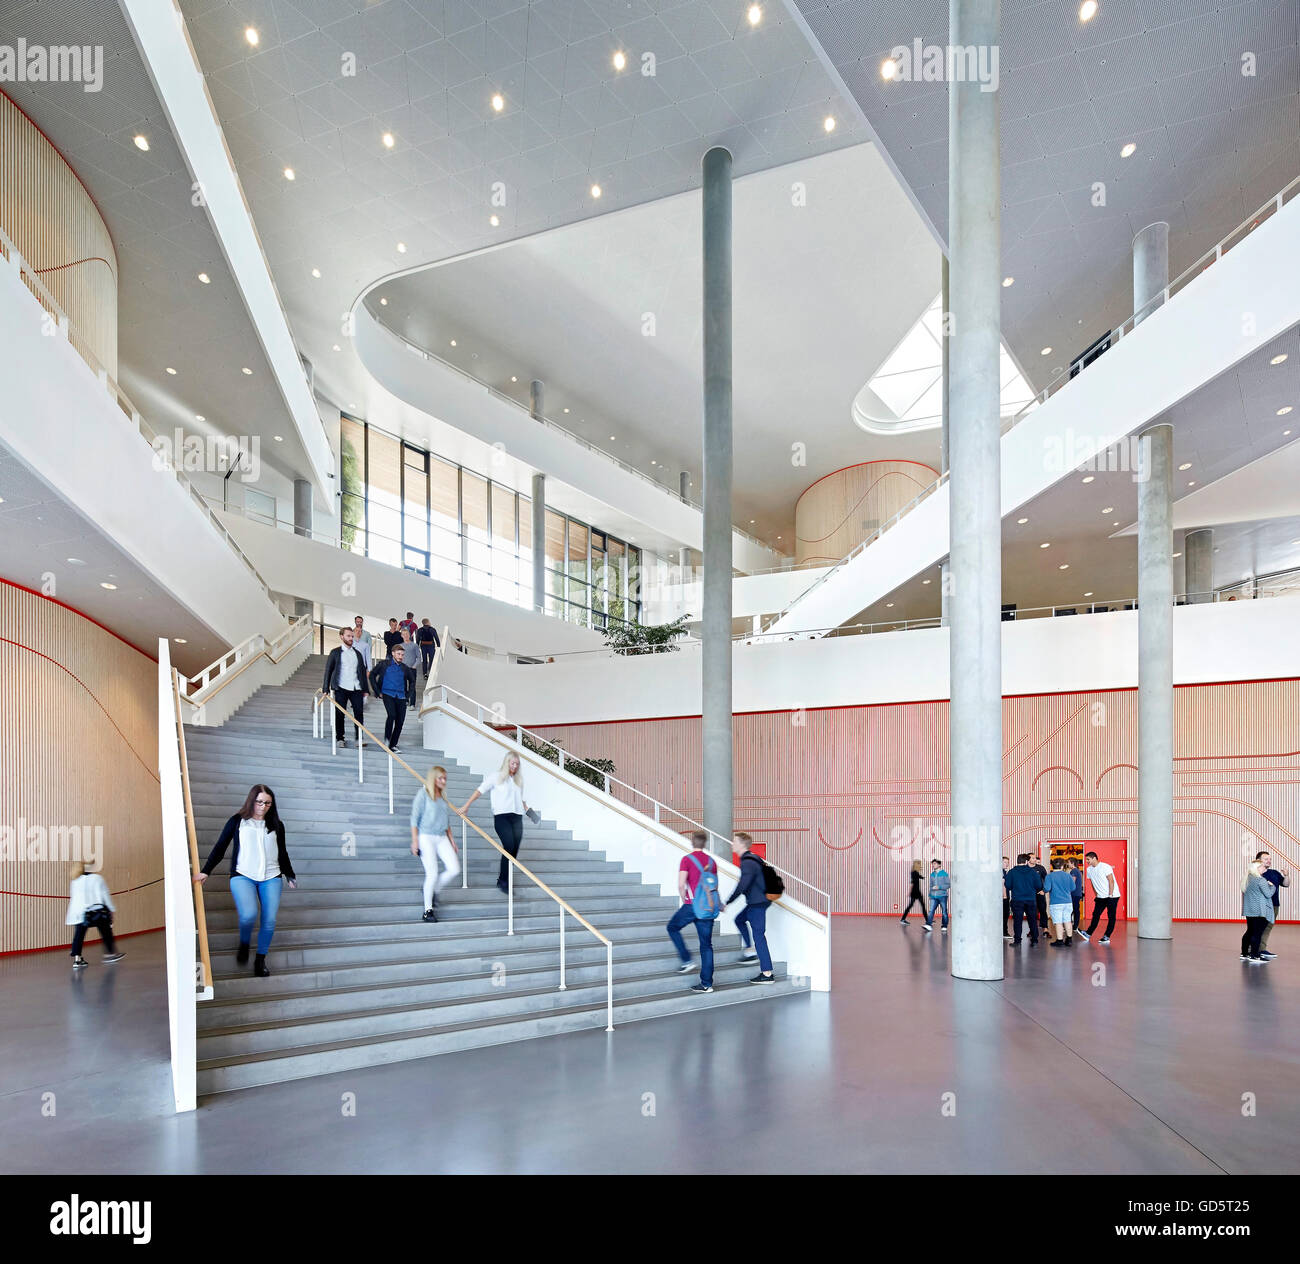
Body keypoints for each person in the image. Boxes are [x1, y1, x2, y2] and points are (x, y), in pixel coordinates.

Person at [195, 784, 297, 978]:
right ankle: (244, 942)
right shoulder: (237, 821)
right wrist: (206, 871)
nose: (263, 806)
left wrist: (289, 874)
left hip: (271, 876)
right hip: (243, 875)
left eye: (267, 803)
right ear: (251, 801)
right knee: (248, 914)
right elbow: (220, 847)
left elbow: (282, 852)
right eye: (259, 802)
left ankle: (260, 959)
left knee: (269, 920)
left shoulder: (276, 824)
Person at [460, 753, 531, 893]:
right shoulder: (496, 777)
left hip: (517, 818)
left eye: (517, 764)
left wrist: (531, 813)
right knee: (509, 846)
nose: (515, 766)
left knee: (514, 851)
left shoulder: (518, 781)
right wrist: (466, 805)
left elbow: (521, 801)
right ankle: (504, 882)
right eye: (512, 763)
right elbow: (480, 790)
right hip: (501, 817)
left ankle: (502, 879)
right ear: (507, 763)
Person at [667, 831, 719, 993]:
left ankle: (687, 959)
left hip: (691, 905)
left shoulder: (687, 859)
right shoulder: (712, 862)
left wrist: (685, 899)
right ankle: (706, 984)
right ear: (705, 843)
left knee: (672, 927)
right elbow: (714, 886)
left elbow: (681, 884)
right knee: (706, 945)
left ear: (692, 842)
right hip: (707, 906)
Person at [410, 765, 459, 923]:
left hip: (441, 837)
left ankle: (433, 890)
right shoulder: (423, 794)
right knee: (432, 874)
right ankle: (427, 911)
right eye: (440, 778)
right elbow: (414, 818)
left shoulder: (443, 796)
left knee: (454, 869)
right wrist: (415, 841)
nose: (444, 781)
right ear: (433, 778)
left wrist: (452, 841)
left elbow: (446, 821)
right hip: (426, 837)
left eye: (445, 778)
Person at [725, 836, 775, 983]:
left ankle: (767, 974)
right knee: (739, 919)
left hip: (757, 903)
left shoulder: (747, 862)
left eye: (734, 841)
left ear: (741, 844)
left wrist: (728, 901)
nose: (732, 844)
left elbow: (743, 885)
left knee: (759, 936)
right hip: (758, 901)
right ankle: (750, 950)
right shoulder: (755, 858)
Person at [66, 861, 124, 968]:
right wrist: (111, 909)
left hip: (78, 912)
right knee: (105, 930)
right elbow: (105, 895)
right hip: (94, 911)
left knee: (79, 935)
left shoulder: (75, 880)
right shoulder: (97, 879)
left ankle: (77, 960)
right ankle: (110, 954)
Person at [322, 626, 370, 747]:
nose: (351, 638)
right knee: (339, 713)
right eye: (348, 636)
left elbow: (362, 672)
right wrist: (325, 688)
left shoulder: (357, 654)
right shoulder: (335, 652)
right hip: (341, 687)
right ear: (341, 636)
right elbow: (328, 670)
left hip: (356, 687)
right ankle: (340, 738)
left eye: (352, 636)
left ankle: (359, 738)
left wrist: (366, 690)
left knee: (359, 713)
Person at [369, 642, 416, 752]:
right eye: (399, 654)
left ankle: (393, 744)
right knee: (392, 715)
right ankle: (387, 740)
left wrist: (408, 694)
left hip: (401, 696)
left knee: (400, 721)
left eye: (402, 655)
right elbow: (372, 675)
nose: (401, 656)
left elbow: (412, 681)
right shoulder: (384, 664)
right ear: (393, 653)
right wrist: (377, 691)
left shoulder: (405, 668)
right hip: (387, 694)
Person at [1077, 851, 1120, 943]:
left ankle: (1107, 936)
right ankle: (1088, 934)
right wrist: (1096, 894)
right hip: (1100, 896)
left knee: (1111, 916)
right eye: (1086, 859)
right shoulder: (1089, 869)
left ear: (1094, 858)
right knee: (1096, 914)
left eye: (1088, 859)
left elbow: (1111, 881)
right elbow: (1092, 882)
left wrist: (1111, 895)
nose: (1087, 861)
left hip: (1112, 895)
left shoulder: (1105, 866)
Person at [1241, 860, 1276, 964]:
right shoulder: (1261, 880)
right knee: (1257, 933)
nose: (1264, 868)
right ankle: (1255, 955)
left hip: (1249, 910)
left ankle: (1244, 953)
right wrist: (1272, 885)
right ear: (1256, 868)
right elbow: (1268, 894)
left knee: (1250, 931)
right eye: (1262, 867)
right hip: (1260, 911)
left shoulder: (1247, 879)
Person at [1004, 853, 1044, 945]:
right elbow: (1039, 886)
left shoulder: (1012, 872)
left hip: (1017, 900)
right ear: (1026, 861)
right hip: (1031, 899)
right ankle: (1034, 940)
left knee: (1017, 921)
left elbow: (1008, 886)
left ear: (1017, 861)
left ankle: (1017, 940)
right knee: (1032, 920)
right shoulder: (1033, 872)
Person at [1256, 850, 1289, 960]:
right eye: (1266, 859)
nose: (1269, 861)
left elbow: (1286, 884)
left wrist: (1286, 875)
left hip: (1274, 904)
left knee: (1268, 927)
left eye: (1270, 859)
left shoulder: (1274, 873)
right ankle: (1253, 951)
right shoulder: (1256, 874)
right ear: (1259, 861)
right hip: (1262, 905)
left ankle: (1262, 949)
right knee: (1258, 928)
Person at [1043, 858, 1076, 947]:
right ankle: (1069, 940)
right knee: (1067, 921)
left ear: (1052, 866)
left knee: (1058, 922)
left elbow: (1047, 889)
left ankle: (1060, 940)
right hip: (1068, 902)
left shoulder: (1049, 876)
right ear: (1062, 866)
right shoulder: (1068, 875)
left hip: (1056, 902)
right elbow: (1073, 888)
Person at [925, 858, 950, 933]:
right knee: (931, 911)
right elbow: (931, 885)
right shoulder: (932, 874)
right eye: (932, 864)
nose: (933, 865)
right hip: (933, 896)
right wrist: (930, 894)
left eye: (935, 863)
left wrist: (939, 887)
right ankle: (929, 925)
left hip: (942, 896)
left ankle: (944, 926)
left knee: (944, 911)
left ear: (939, 865)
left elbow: (948, 885)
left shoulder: (944, 874)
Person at [900, 859, 927, 925]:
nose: (920, 866)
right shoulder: (914, 873)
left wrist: (923, 877)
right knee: (911, 906)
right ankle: (903, 919)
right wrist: (910, 892)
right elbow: (912, 883)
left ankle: (928, 920)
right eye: (919, 864)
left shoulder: (916, 872)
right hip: (914, 892)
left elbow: (919, 877)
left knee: (922, 905)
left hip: (918, 892)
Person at [1030, 853, 1049, 938]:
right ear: (1028, 859)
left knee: (1043, 911)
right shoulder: (1025, 869)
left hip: (1040, 893)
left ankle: (1045, 929)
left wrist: (1044, 890)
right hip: (1029, 894)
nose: (1035, 859)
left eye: (1035, 858)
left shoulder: (1040, 868)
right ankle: (1032, 930)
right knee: (1031, 912)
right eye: (1033, 858)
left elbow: (1047, 879)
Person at [1069, 857, 1085, 934]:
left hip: (1073, 893)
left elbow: (1072, 883)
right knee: (1075, 909)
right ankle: (1075, 926)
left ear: (1072, 863)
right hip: (1077, 893)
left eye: (1069, 862)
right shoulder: (1078, 871)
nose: (1068, 864)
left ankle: (1074, 926)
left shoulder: (1073, 871)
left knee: (1072, 910)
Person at [1002, 855, 1013, 940]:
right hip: (1003, 897)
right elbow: (1003, 885)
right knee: (1004, 915)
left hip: (1006, 897)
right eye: (1005, 862)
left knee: (1006, 915)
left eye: (1007, 862)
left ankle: (1004, 931)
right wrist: (1005, 896)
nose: (1007, 864)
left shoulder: (1005, 872)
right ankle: (1004, 932)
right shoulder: (1001, 872)